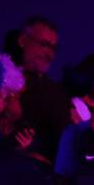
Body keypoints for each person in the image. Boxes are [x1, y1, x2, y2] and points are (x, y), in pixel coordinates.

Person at [4, 15, 69, 162]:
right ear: (22, 41)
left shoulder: (56, 94)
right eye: (44, 44)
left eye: (53, 48)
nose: (49, 54)